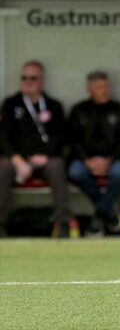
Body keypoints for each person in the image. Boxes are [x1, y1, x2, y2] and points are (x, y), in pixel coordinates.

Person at [0, 60, 72, 238]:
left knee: (57, 165)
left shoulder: (54, 105)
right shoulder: (10, 104)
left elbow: (61, 137)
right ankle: (1, 223)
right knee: (3, 167)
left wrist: (46, 156)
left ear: (42, 81)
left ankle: (62, 223)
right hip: (17, 160)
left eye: (33, 78)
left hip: (44, 160)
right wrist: (18, 161)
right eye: (24, 78)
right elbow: (4, 137)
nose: (27, 82)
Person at [67, 70, 120, 236]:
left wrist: (109, 161)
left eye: (105, 86)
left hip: (114, 159)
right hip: (84, 160)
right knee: (75, 172)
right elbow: (73, 140)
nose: (104, 90)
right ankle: (110, 213)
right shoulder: (79, 110)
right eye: (99, 87)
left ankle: (98, 215)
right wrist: (87, 160)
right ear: (89, 89)